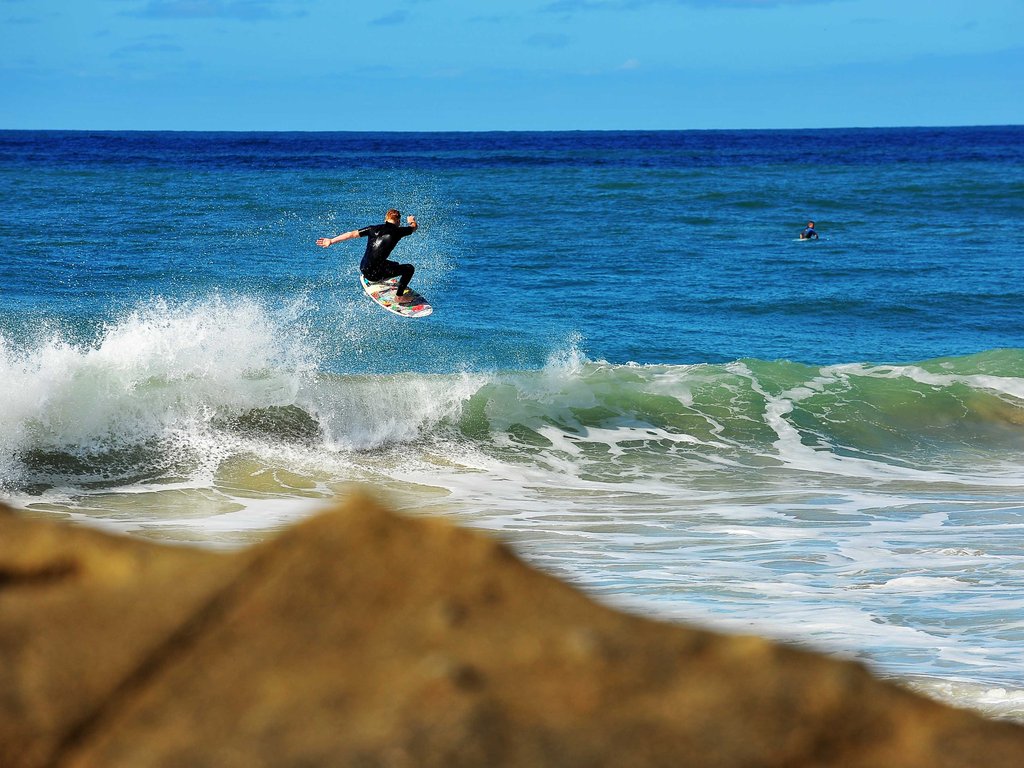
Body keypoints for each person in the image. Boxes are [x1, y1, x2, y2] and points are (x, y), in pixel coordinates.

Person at [317, 209, 419, 303]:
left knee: (394, 264)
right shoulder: (399, 231)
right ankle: (399, 297)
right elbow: (414, 227)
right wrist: (411, 221)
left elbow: (351, 234)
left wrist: (331, 240)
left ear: (385, 219)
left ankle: (381, 278)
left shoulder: (372, 229)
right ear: (398, 221)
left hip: (363, 268)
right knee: (409, 268)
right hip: (374, 275)